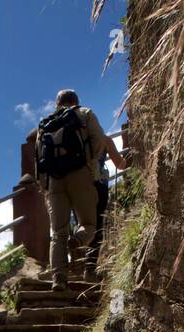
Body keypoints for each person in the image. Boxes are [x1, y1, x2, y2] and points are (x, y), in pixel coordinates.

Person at [33, 89, 126, 290]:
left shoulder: (45, 125)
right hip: (85, 179)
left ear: (57, 104)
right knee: (92, 225)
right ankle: (83, 253)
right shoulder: (84, 113)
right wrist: (89, 163)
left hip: (55, 182)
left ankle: (59, 279)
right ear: (76, 101)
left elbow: (38, 158)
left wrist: (45, 187)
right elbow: (100, 141)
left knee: (58, 233)